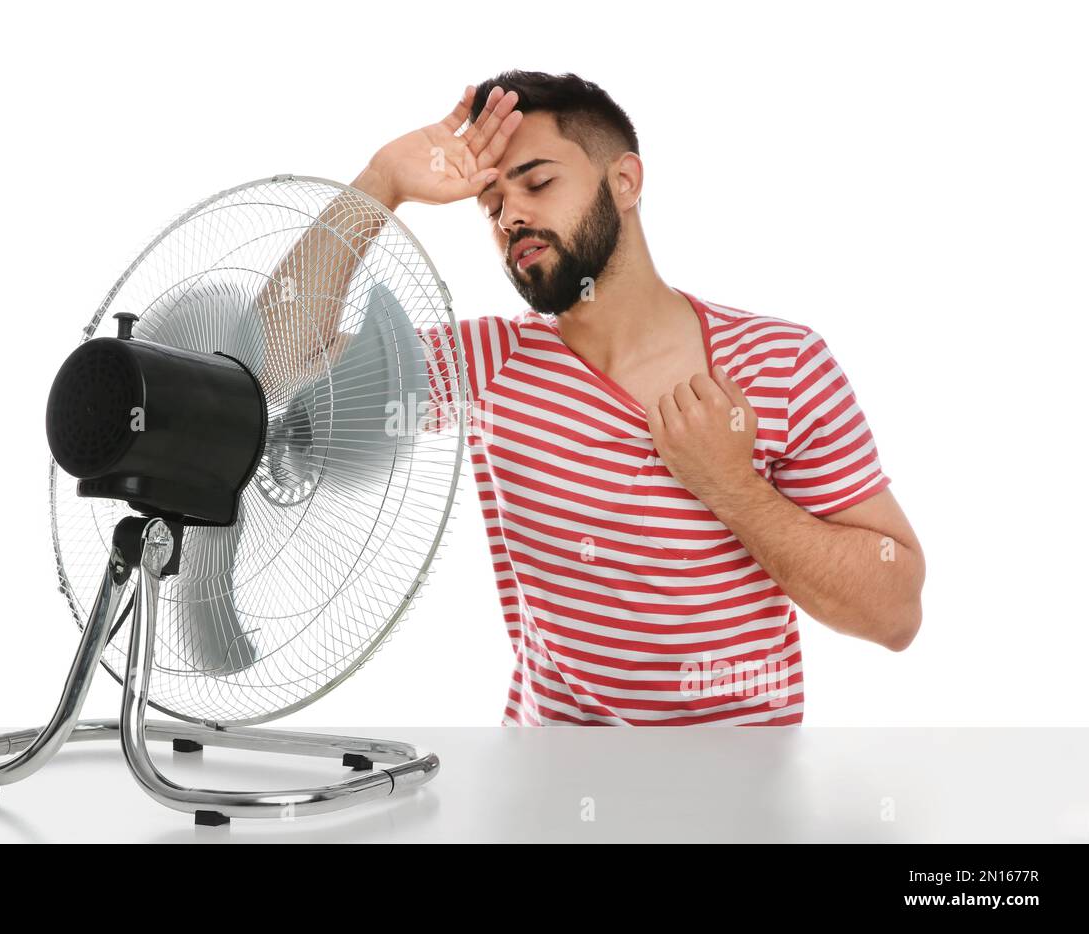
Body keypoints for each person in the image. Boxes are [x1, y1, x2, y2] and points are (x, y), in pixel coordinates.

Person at [261, 70, 925, 726]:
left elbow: (894, 614)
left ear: (625, 181)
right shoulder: (488, 364)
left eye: (538, 182)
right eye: (491, 207)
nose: (511, 215)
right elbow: (275, 355)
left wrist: (730, 484)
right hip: (547, 795)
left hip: (739, 800)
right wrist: (383, 182)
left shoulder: (783, 364)